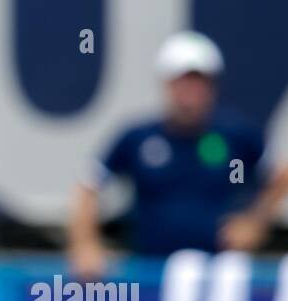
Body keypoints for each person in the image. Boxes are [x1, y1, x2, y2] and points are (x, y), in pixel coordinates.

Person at [68, 31, 288, 278]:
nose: (190, 91)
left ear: (212, 86)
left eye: (198, 82)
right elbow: (89, 182)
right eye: (182, 81)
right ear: (167, 84)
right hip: (150, 273)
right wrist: (85, 244)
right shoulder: (139, 138)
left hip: (219, 276)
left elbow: (280, 175)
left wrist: (255, 222)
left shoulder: (236, 135)